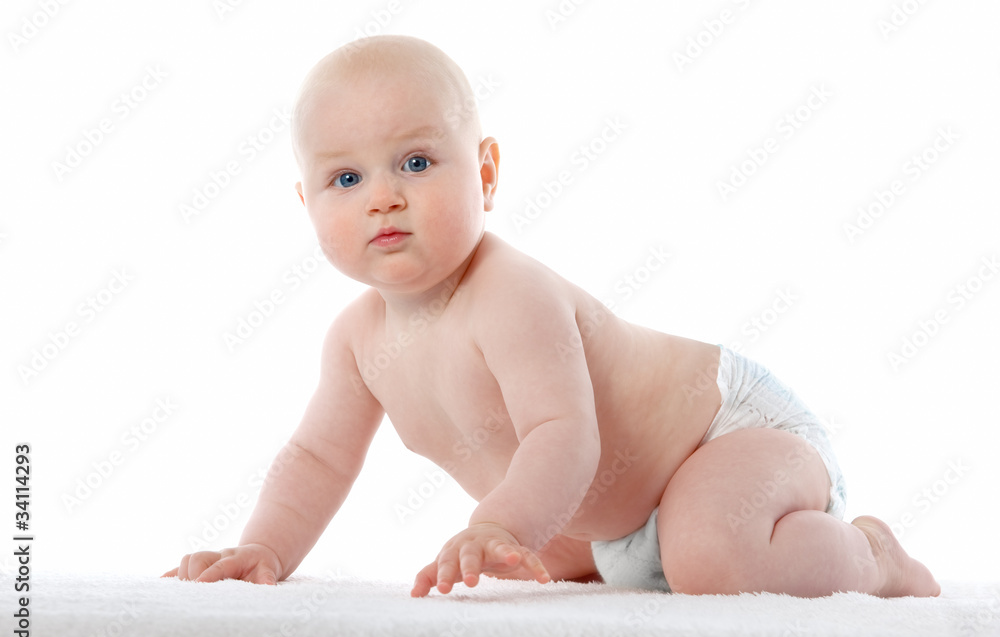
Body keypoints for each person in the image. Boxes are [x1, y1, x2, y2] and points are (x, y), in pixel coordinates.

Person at [163, 35, 939, 599]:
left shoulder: (510, 293)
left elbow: (565, 436)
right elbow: (318, 458)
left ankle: (871, 555)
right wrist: (263, 547)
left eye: (417, 162)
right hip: (613, 527)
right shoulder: (357, 342)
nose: (383, 196)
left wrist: (495, 521)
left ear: (486, 172)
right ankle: (639, 552)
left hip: (729, 436)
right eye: (344, 177)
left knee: (710, 555)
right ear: (307, 202)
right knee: (561, 554)